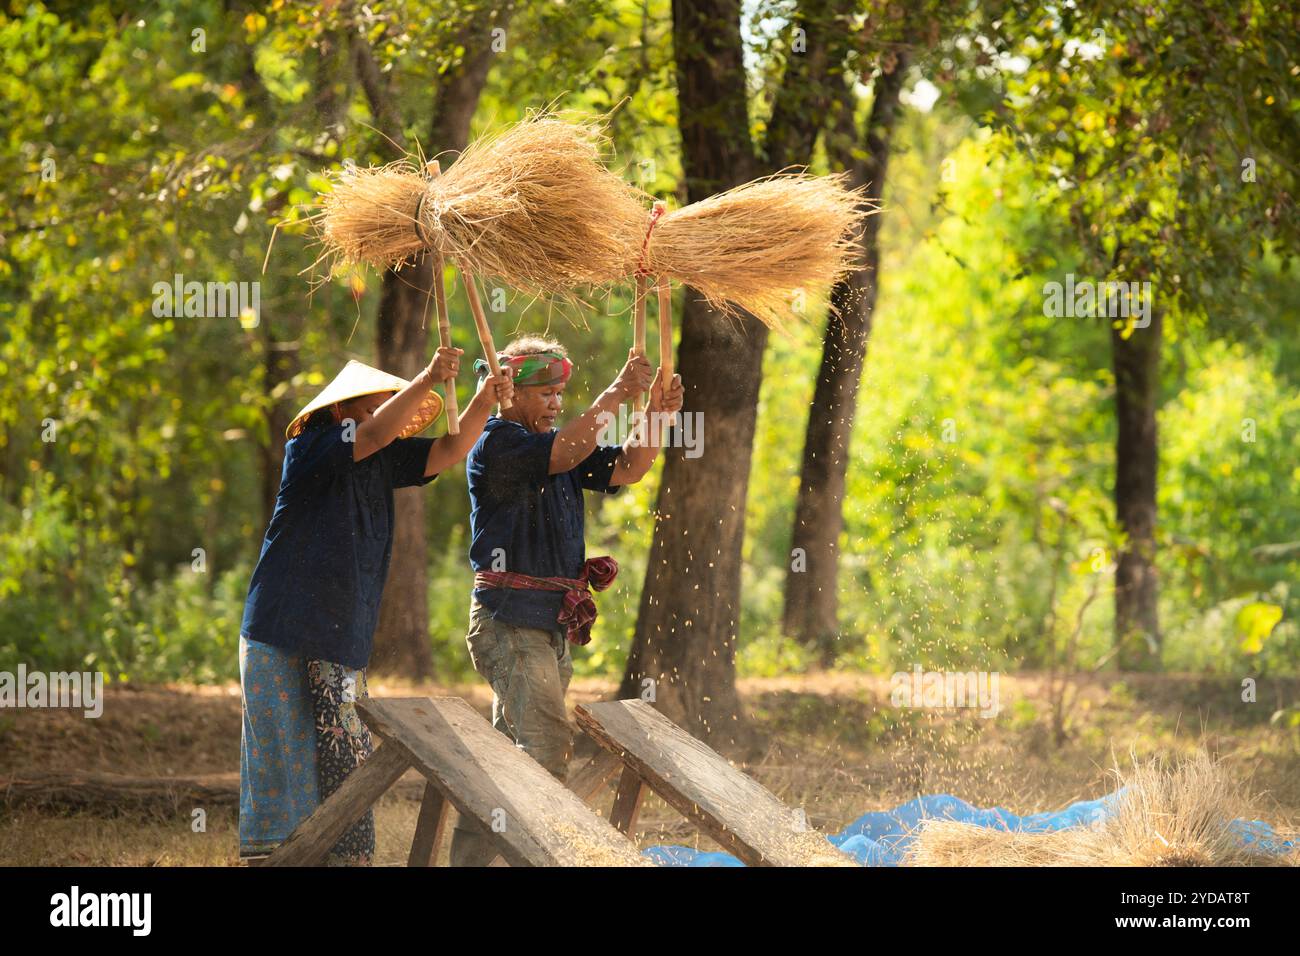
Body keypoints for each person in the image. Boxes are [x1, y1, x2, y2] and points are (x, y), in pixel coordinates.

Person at [238, 348, 513, 865]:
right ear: (344, 412)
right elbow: (372, 435)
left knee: (345, 756)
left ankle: (347, 860)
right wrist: (429, 376)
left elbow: (451, 448)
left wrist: (482, 399)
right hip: (281, 628)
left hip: (339, 634)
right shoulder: (311, 446)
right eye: (378, 404)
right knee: (284, 755)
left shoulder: (382, 458)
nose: (390, 413)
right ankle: (280, 859)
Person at [449, 335, 684, 866]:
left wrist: (654, 413)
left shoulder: (559, 446)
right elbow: (562, 453)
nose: (557, 403)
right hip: (508, 622)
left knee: (503, 758)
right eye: (546, 393)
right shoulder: (498, 445)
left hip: (547, 626)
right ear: (509, 395)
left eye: (560, 393)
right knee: (547, 751)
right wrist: (619, 392)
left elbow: (628, 467)